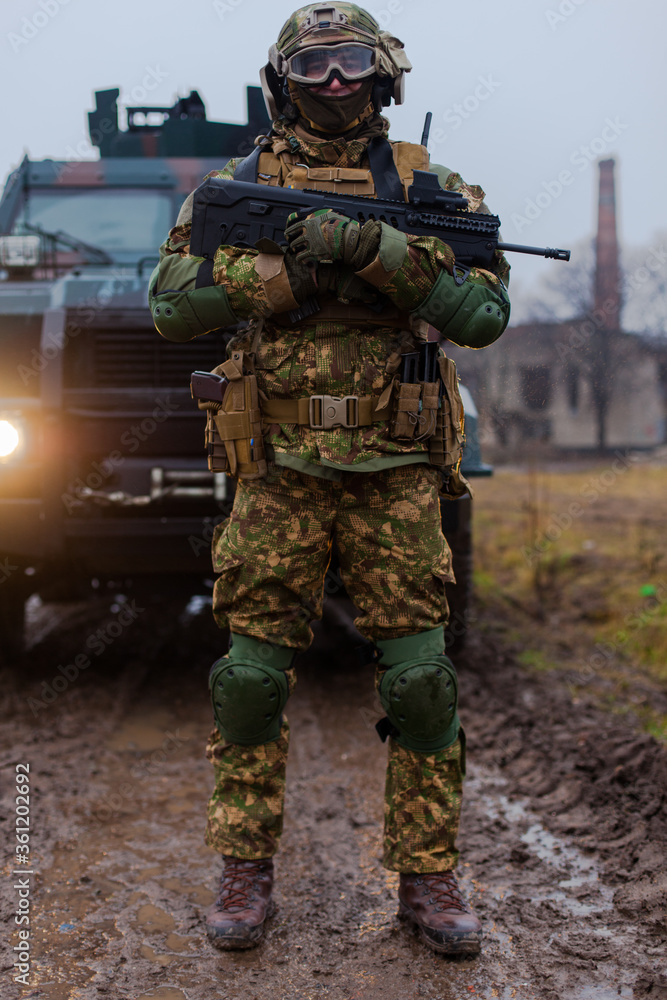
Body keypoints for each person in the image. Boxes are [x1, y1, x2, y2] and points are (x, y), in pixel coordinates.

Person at [150, 2, 510, 957]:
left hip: (396, 471)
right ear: (284, 79)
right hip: (278, 469)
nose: (336, 80)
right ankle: (243, 869)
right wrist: (284, 278)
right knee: (249, 681)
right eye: (314, 65)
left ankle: (428, 878)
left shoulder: (431, 186)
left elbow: (481, 313)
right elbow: (171, 309)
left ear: (384, 71)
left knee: (422, 682)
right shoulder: (237, 187)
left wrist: (386, 257)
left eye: (352, 60)